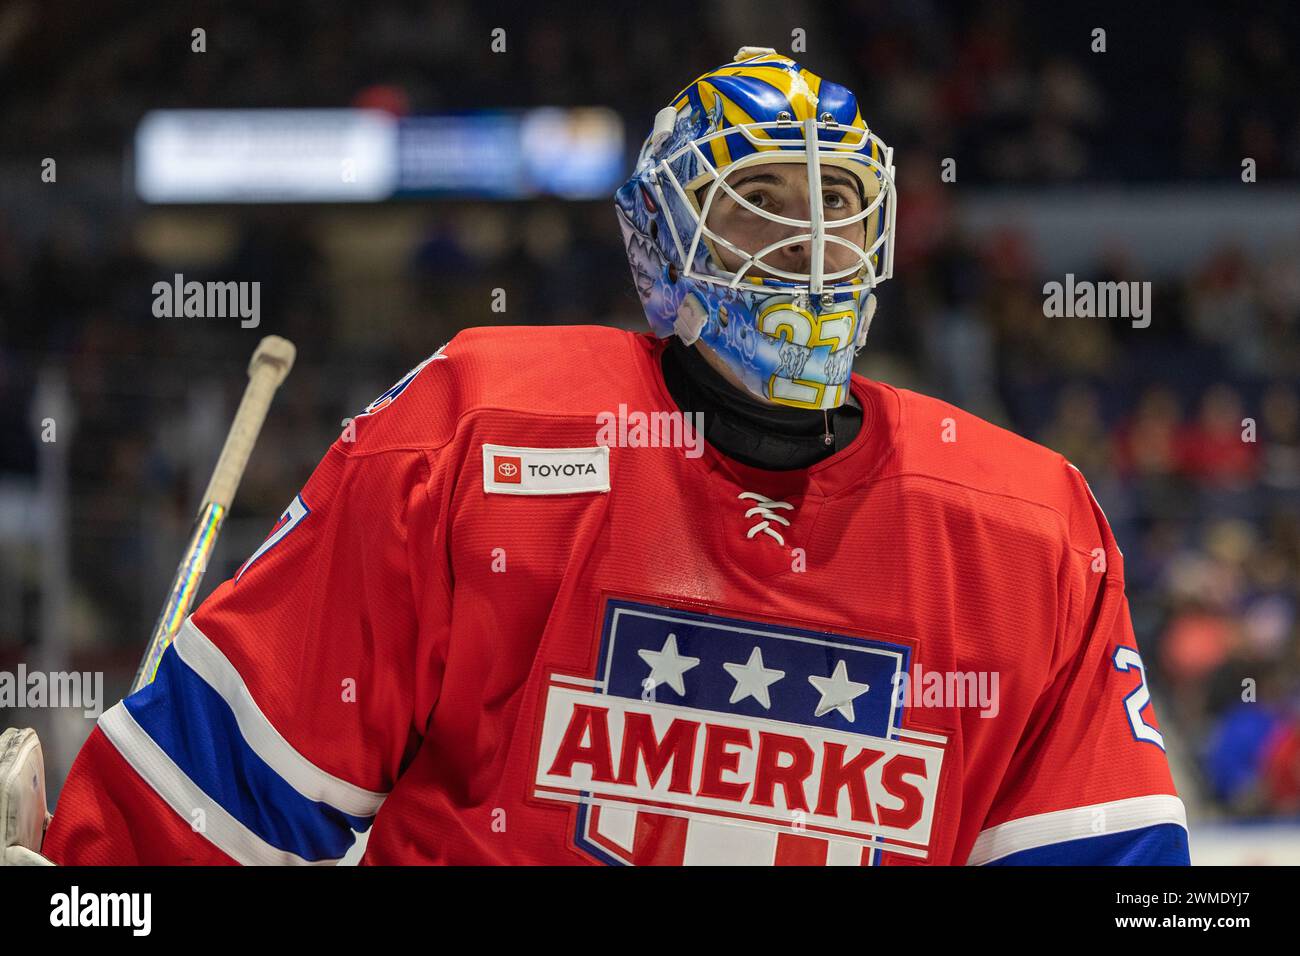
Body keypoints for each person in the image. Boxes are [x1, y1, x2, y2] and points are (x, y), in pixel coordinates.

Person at [7, 47, 1188, 866]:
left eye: (838, 204)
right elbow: (218, 803)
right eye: (760, 202)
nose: (810, 246)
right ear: (660, 244)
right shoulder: (474, 435)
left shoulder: (1024, 526)